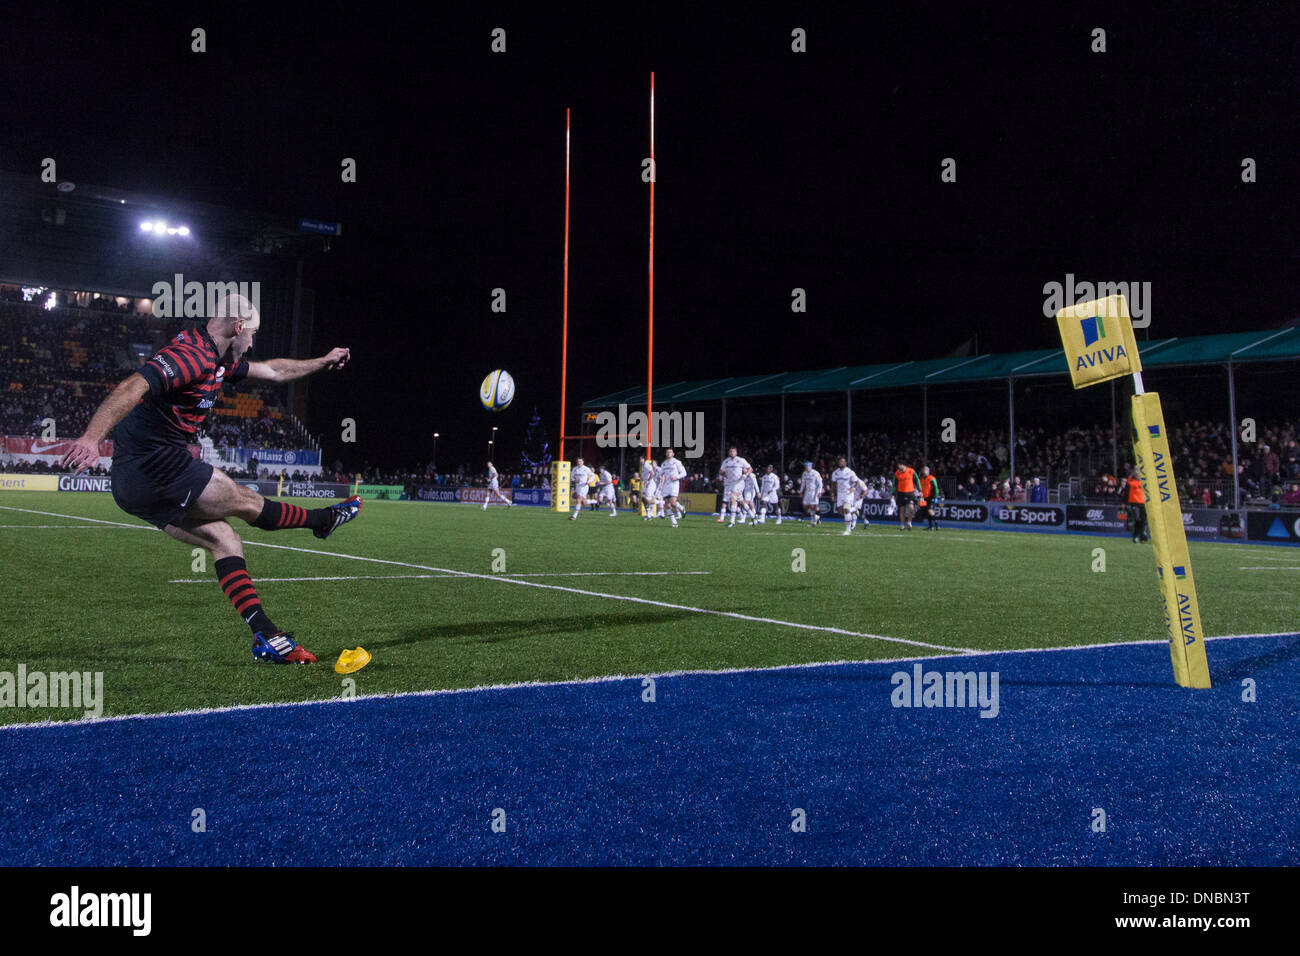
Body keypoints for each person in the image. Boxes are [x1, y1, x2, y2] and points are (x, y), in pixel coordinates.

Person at [59, 293, 358, 665]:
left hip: (134, 486)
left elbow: (274, 371)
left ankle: (267, 636)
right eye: (253, 334)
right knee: (247, 502)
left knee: (225, 540)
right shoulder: (192, 355)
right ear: (238, 327)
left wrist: (323, 361)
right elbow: (131, 387)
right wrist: (91, 438)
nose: (252, 343)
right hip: (156, 468)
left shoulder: (219, 361)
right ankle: (323, 520)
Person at [717, 446, 751, 526]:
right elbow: (720, 471)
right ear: (729, 453)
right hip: (731, 484)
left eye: (733, 451)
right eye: (730, 451)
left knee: (732, 498)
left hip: (739, 482)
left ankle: (732, 522)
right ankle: (753, 516)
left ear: (736, 452)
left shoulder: (741, 460)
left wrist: (745, 474)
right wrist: (723, 473)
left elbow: (750, 468)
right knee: (741, 501)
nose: (732, 453)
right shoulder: (726, 461)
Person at [830, 456, 863, 535]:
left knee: (846, 509)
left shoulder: (850, 472)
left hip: (848, 494)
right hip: (840, 494)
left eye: (842, 462)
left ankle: (848, 530)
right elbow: (833, 484)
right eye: (839, 462)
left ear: (845, 463)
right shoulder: (835, 473)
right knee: (841, 512)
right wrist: (832, 494)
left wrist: (853, 488)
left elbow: (857, 482)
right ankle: (854, 509)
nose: (840, 463)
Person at [657, 448, 687, 527]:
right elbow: (660, 473)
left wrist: (677, 477)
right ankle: (674, 523)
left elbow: (684, 473)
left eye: (670, 452)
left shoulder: (677, 462)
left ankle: (681, 508)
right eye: (667, 452)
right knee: (666, 505)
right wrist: (659, 476)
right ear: (666, 454)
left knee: (673, 502)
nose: (668, 453)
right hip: (666, 485)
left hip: (674, 484)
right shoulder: (664, 464)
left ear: (673, 454)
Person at [1122, 465, 1148, 543]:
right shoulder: (1130, 481)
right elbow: (1126, 493)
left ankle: (1142, 536)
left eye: (1139, 470)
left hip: (1144, 504)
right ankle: (1135, 536)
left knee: (1143, 520)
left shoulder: (1145, 481)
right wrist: (1124, 502)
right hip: (1134, 503)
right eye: (1136, 470)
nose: (1137, 472)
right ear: (1133, 472)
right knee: (1137, 519)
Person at [894, 459, 918, 530]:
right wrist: (893, 492)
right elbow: (894, 483)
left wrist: (919, 489)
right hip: (901, 493)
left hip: (910, 492)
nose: (898, 466)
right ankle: (902, 525)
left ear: (903, 465)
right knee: (902, 509)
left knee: (911, 508)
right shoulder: (897, 473)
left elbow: (917, 479)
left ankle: (909, 522)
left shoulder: (911, 471)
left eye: (899, 465)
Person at [916, 465, 941, 530]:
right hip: (923, 498)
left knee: (929, 510)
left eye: (924, 470)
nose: (923, 472)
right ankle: (930, 526)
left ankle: (937, 524)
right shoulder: (921, 479)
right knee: (926, 511)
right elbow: (920, 488)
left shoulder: (932, 478)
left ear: (928, 471)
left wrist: (936, 496)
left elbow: (936, 487)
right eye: (922, 470)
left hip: (930, 497)